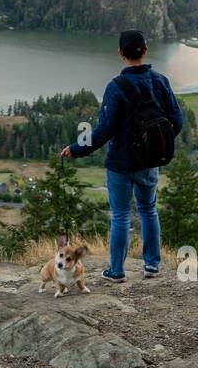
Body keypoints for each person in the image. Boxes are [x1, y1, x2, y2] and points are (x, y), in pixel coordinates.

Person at [60, 29, 184, 282]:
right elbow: (177, 121)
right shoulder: (160, 80)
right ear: (145, 51)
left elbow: (105, 130)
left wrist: (76, 148)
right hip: (150, 162)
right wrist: (156, 145)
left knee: (120, 215)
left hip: (121, 163)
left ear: (120, 53)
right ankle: (152, 265)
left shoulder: (115, 87)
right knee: (149, 210)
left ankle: (116, 271)